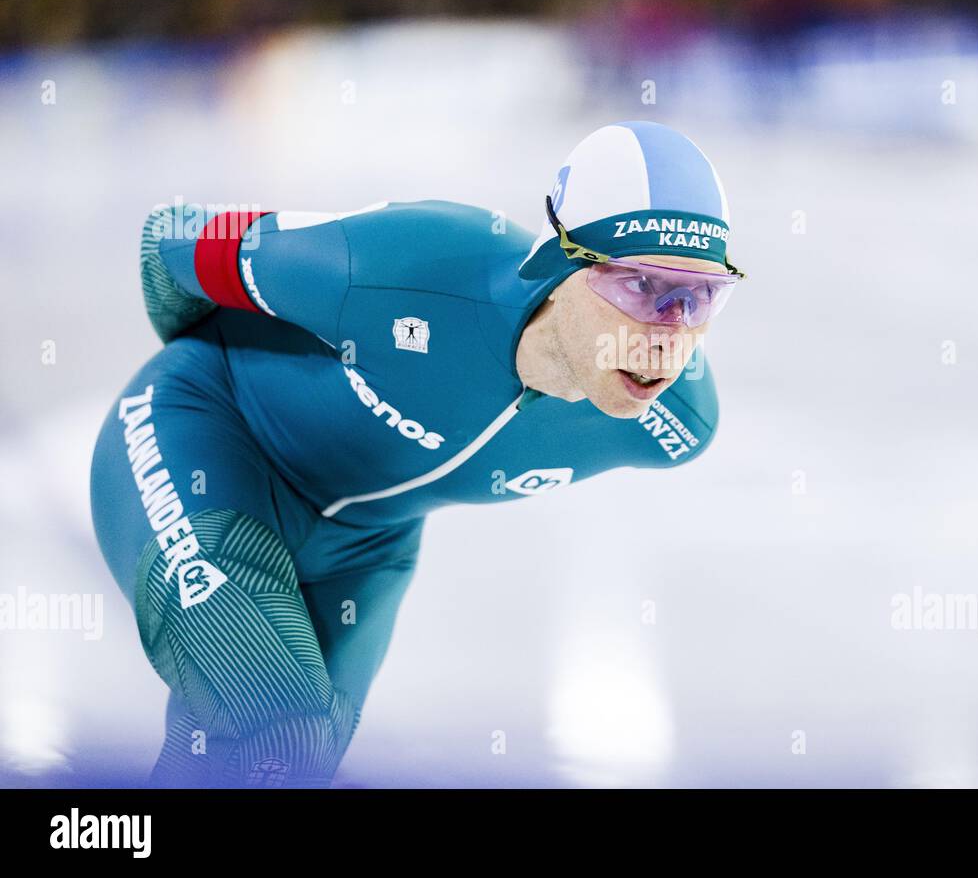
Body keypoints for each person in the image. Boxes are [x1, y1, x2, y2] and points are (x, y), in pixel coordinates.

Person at [88, 120, 745, 787]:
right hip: (210, 437)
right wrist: (193, 372)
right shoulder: (412, 267)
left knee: (283, 768)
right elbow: (167, 241)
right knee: (273, 726)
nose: (668, 333)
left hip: (364, 548)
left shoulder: (676, 422)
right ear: (562, 261)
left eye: (701, 296)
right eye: (639, 284)